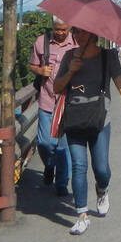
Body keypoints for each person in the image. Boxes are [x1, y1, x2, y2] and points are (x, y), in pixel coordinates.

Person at [54, 26, 121, 235]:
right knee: (79, 165)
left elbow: (120, 80)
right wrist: (71, 71)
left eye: (83, 32)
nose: (78, 35)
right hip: (74, 119)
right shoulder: (68, 57)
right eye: (76, 32)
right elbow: (56, 87)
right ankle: (82, 215)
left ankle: (102, 189)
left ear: (93, 34)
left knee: (101, 168)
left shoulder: (107, 56)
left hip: (100, 118)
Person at [28, 19, 78, 196]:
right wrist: (40, 71)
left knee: (63, 147)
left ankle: (62, 183)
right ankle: (49, 165)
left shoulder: (77, 44)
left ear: (69, 28)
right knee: (45, 143)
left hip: (68, 104)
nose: (61, 33)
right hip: (47, 101)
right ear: (52, 27)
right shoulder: (42, 42)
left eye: (64, 30)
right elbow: (32, 65)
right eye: (57, 29)